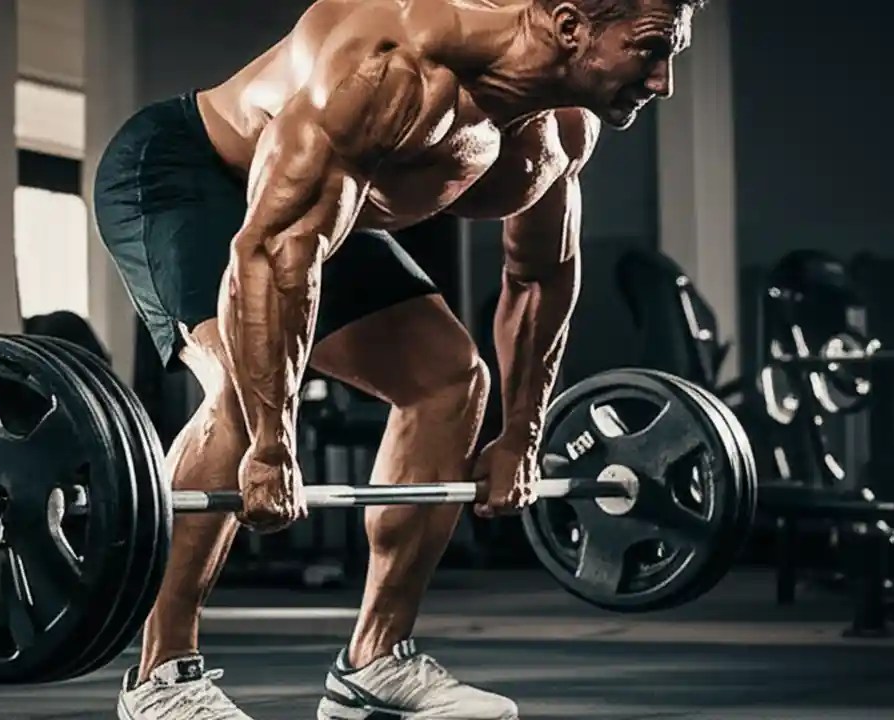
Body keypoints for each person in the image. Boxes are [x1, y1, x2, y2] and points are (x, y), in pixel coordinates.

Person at [93, 1, 701, 717]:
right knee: (238, 391)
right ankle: (161, 678)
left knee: (451, 380)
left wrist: (522, 436)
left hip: (320, 215)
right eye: (651, 50)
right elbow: (273, 247)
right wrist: (269, 443)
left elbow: (538, 277)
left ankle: (374, 664)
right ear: (572, 28)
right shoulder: (393, 61)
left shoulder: (562, 131)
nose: (663, 82)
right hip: (191, 176)